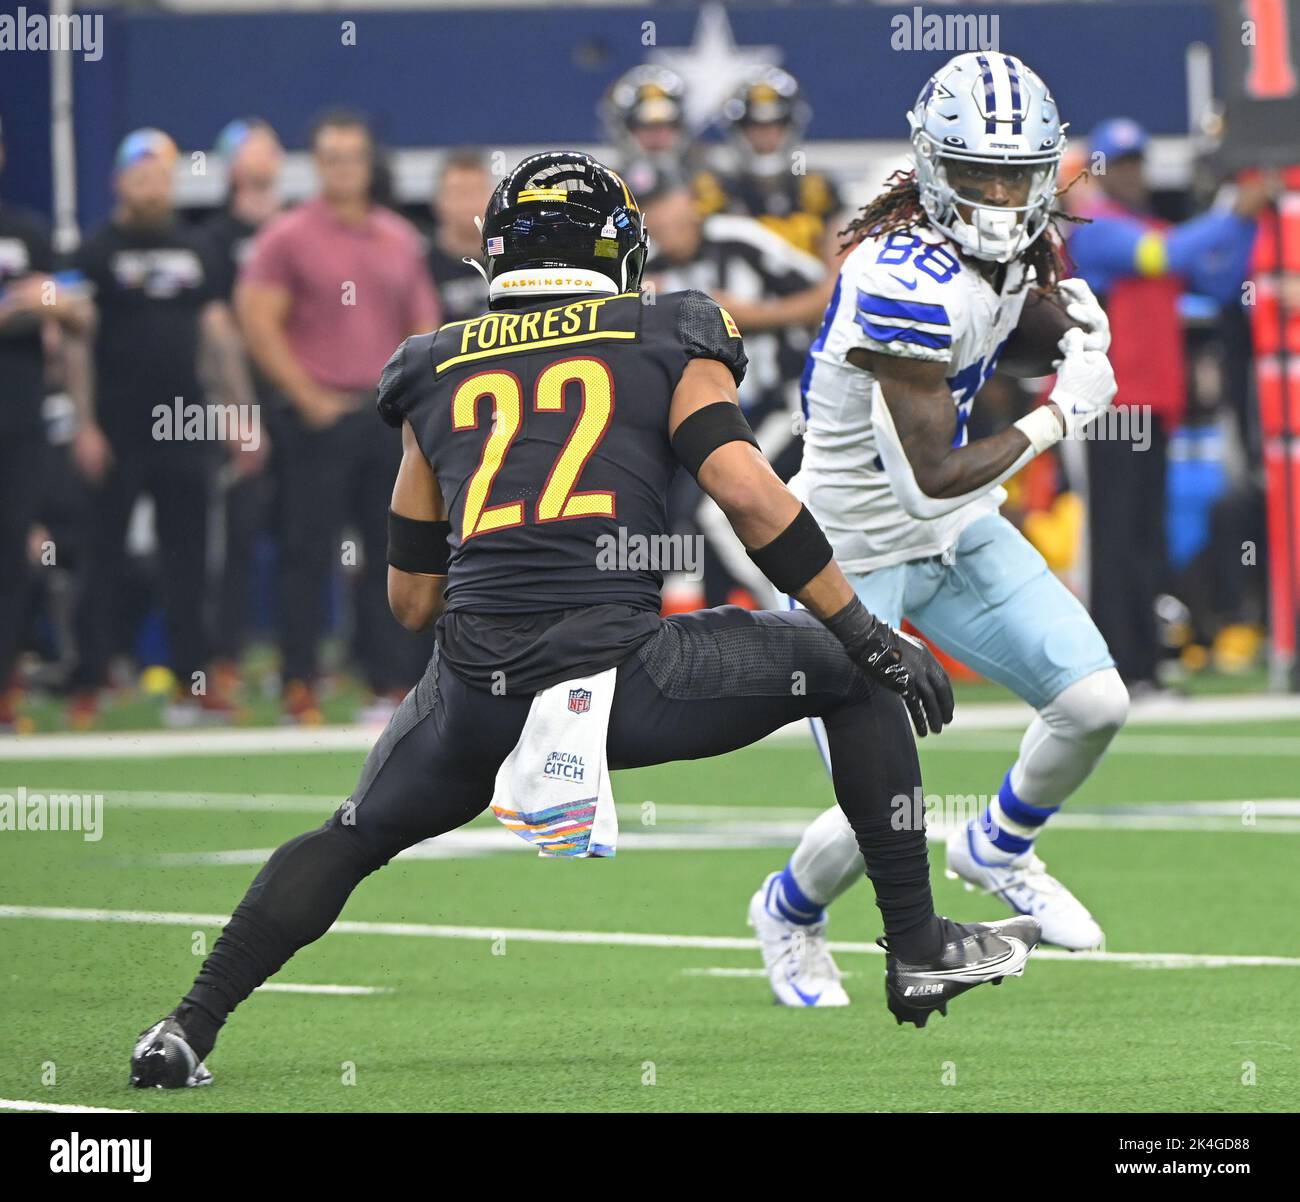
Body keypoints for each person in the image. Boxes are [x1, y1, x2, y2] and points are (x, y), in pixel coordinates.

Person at [130, 152, 1040, 1088]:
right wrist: (867, 634)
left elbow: (410, 599)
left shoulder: (432, 365)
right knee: (849, 677)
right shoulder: (669, 331)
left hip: (474, 689)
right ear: (617, 252)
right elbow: (748, 495)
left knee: (352, 835)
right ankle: (919, 942)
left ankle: (186, 1026)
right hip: (624, 675)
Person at [747, 53, 1127, 1008]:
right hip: (849, 554)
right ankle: (788, 910)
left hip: (954, 531)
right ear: (931, 167)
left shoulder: (1011, 240)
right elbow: (927, 479)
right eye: (980, 174)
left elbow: (1005, 309)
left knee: (1096, 705)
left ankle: (998, 844)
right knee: (883, 806)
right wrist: (1063, 409)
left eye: (1020, 175)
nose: (1002, 198)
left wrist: (1070, 323)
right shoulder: (896, 273)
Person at [235, 109, 441, 722]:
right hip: (316, 417)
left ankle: (389, 683)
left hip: (384, 419)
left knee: (394, 548)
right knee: (306, 549)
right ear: (316, 164)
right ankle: (300, 681)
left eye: (353, 157)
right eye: (331, 158)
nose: (343, 168)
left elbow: (423, 325)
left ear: (367, 163)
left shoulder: (399, 237)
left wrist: (414, 405)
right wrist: (306, 396)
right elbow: (256, 318)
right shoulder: (287, 236)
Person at [1067, 117, 1267, 693]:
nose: (1132, 174)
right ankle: (1118, 665)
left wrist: (1245, 223)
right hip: (1113, 404)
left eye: (1137, 164)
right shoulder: (1098, 225)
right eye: (1121, 164)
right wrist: (1234, 209)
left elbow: (1222, 280)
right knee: (1116, 536)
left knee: (1146, 536)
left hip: (1153, 406)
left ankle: (1145, 665)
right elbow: (1165, 254)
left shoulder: (1145, 226)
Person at [66, 128, 253, 727]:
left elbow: (217, 334)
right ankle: (90, 681)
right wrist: (84, 423)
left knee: (189, 559)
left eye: (164, 174)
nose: (154, 185)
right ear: (120, 182)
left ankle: (191, 684)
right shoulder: (93, 252)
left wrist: (238, 411)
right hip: (117, 427)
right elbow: (76, 343)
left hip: (186, 423)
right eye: (142, 174)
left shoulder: (198, 249)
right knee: (102, 555)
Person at [640, 167, 824, 605]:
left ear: (692, 205)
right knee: (691, 519)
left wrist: (753, 315)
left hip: (783, 403)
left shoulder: (737, 239)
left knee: (721, 512)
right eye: (656, 218)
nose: (668, 225)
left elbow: (829, 292)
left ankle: (807, 617)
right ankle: (730, 641)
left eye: (674, 212)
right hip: (709, 417)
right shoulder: (646, 270)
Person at [0, 114, 91, 728]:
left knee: (11, 553)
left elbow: (80, 312)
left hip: (18, 419)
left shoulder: (27, 231)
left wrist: (49, 300)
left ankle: (5, 686)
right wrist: (16, 305)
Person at [203, 118, 284, 694]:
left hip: (298, 402)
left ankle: (300, 663)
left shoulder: (297, 231)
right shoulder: (212, 239)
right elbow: (217, 328)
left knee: (309, 539)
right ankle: (223, 660)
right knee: (236, 538)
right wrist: (238, 412)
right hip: (243, 408)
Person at [694, 67, 843, 260]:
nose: (765, 136)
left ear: (791, 127)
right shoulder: (714, 191)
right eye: (754, 126)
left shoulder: (817, 189)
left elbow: (838, 263)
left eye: (774, 125)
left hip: (808, 286)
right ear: (738, 130)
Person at [425, 149, 494, 325]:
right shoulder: (420, 266)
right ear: (439, 201)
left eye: (476, 192)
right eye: (458, 193)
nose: (468, 203)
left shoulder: (512, 258)